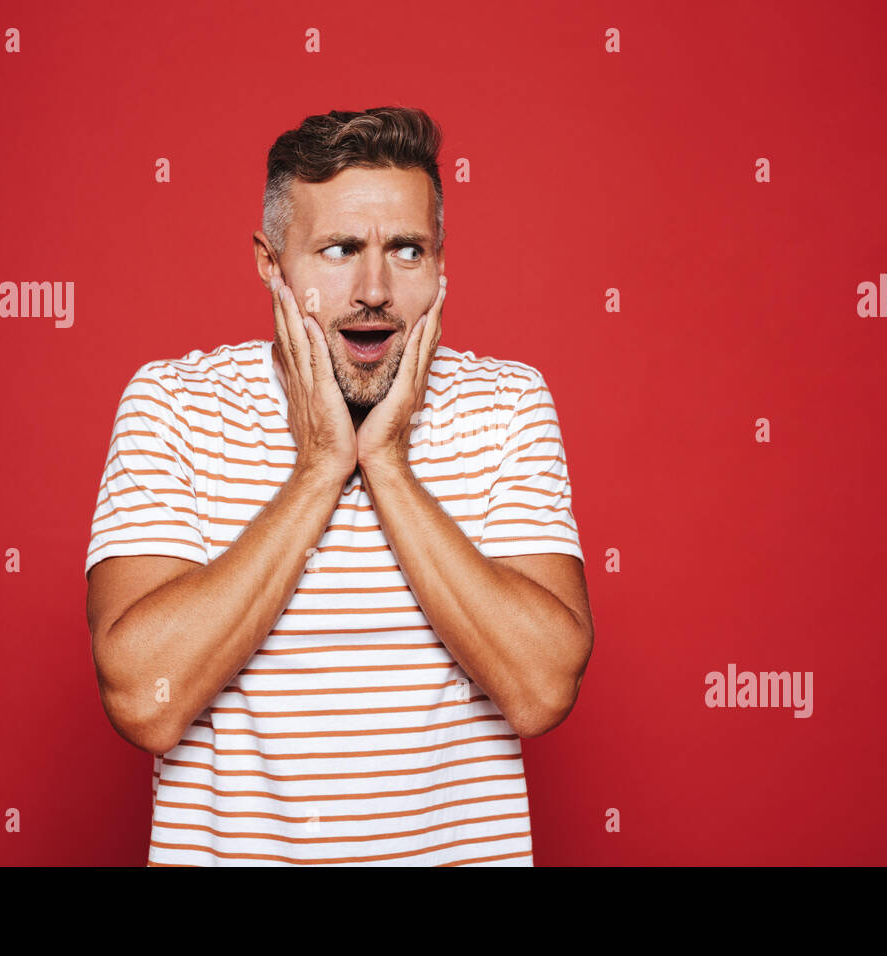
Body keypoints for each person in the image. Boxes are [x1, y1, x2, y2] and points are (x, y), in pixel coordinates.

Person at [84, 106, 593, 866]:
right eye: (340, 248)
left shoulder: (508, 404)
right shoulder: (173, 404)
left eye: (408, 250)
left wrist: (385, 462)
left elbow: (542, 689)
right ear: (270, 261)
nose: (375, 289)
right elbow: (141, 699)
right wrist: (322, 466)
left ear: (442, 263)